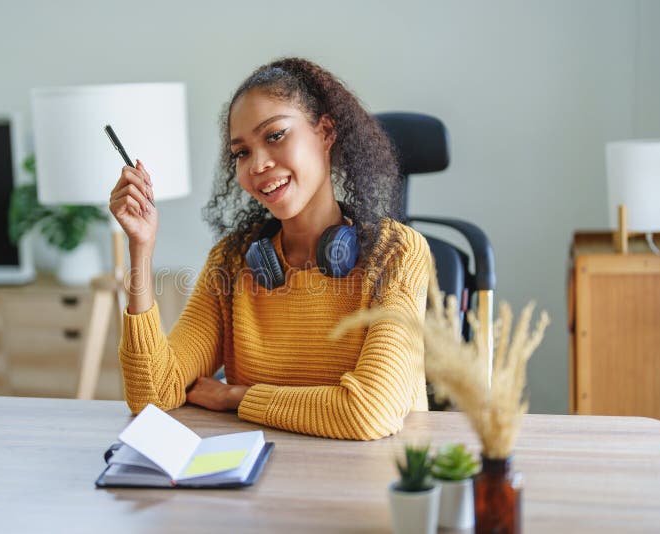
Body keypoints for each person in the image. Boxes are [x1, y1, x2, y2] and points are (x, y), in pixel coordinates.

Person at [109, 57, 431, 440]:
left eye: (275, 135)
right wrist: (141, 248)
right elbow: (153, 393)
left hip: (365, 484)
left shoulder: (396, 252)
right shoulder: (230, 261)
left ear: (325, 132)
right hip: (257, 482)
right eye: (241, 152)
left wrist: (236, 397)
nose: (257, 164)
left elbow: (368, 413)